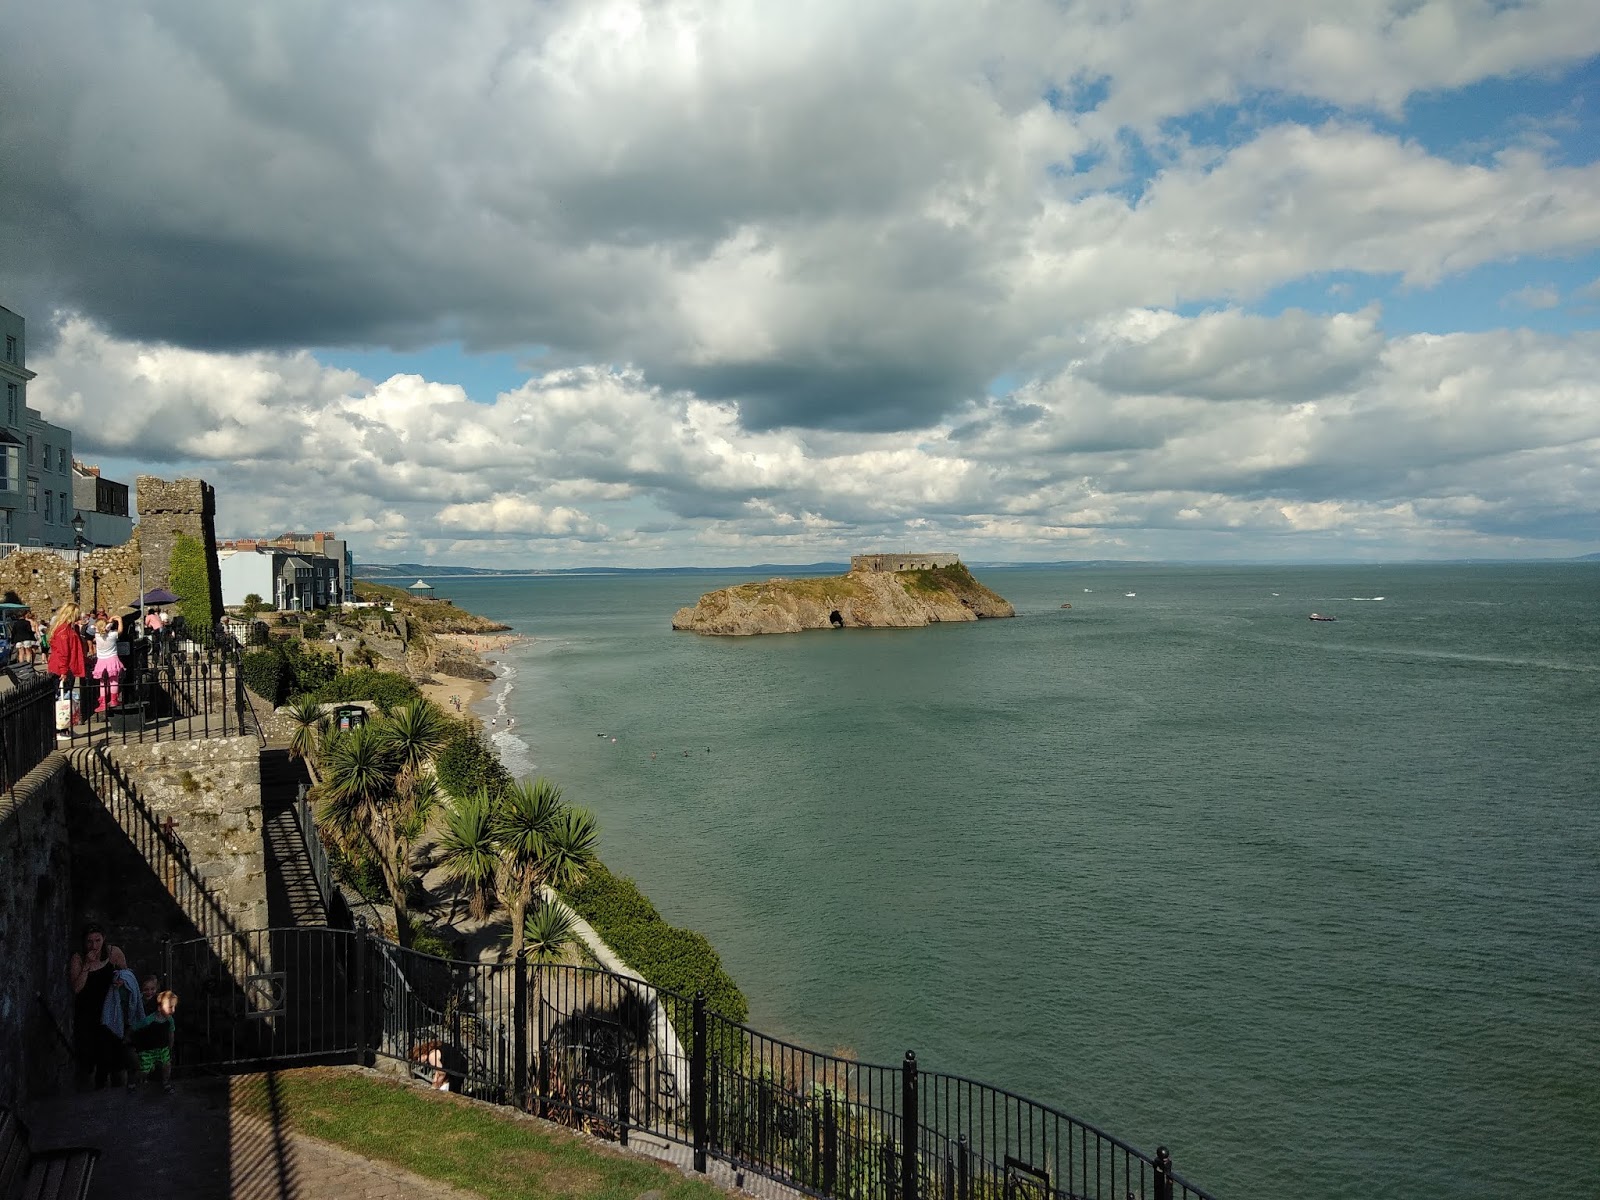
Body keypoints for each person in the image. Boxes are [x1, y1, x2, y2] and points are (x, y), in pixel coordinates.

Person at [68, 924, 129, 1088]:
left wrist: (121, 982)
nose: (94, 945)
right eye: (89, 941)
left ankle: (120, 1095)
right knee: (90, 1059)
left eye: (97, 940)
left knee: (115, 1058)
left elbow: (126, 975)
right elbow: (76, 988)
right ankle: (94, 1095)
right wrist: (87, 966)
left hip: (110, 1013)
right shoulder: (78, 958)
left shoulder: (112, 953)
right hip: (88, 1015)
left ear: (104, 939)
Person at [47, 601, 89, 731]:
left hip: (67, 667)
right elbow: (63, 652)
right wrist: (63, 671)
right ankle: (60, 728)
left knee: (64, 698)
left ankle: (64, 727)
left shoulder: (69, 628)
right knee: (62, 699)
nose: (79, 616)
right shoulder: (64, 630)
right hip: (62, 668)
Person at [128, 989, 179, 1094]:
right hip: (148, 1049)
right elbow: (134, 1028)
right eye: (170, 1007)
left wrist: (170, 1047)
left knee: (167, 1065)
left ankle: (166, 1083)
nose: (173, 1010)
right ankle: (132, 1080)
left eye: (174, 1007)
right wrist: (127, 1037)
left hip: (163, 1048)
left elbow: (171, 1033)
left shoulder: (170, 1020)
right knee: (144, 1071)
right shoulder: (149, 1020)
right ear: (159, 1008)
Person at [91, 616, 124, 713]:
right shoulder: (112, 635)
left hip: (101, 661)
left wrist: (107, 623)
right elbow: (120, 631)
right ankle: (113, 700)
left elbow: (97, 628)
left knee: (102, 683)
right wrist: (119, 620)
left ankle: (103, 703)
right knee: (114, 681)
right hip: (112, 659)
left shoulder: (97, 635)